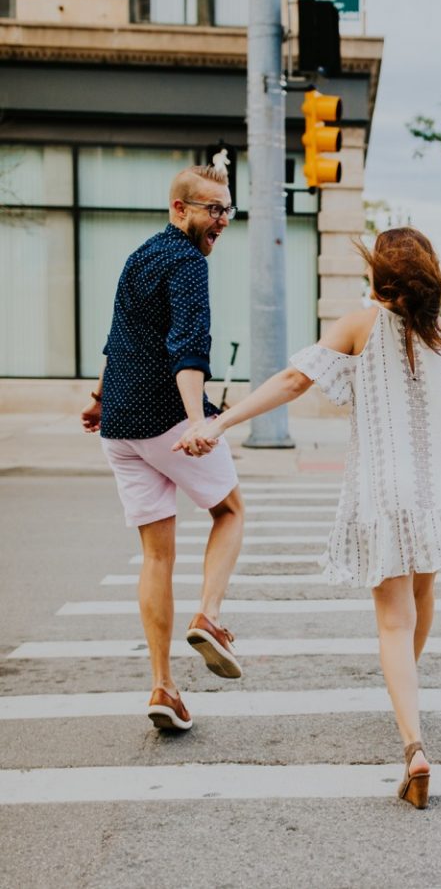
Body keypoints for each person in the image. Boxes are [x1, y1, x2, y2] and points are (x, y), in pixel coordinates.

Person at [176, 227, 441, 810]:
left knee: (392, 624)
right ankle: (409, 696)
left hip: (383, 490)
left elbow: (294, 380)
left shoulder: (360, 324)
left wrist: (220, 423)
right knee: (424, 595)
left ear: (380, 275)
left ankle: (414, 745)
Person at [81, 162, 246, 733]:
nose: (221, 220)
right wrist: (199, 420)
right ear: (180, 209)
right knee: (229, 512)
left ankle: (163, 686)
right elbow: (188, 346)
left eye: (226, 210)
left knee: (156, 556)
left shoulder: (139, 256)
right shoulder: (186, 263)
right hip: (166, 418)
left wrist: (101, 398)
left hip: (121, 428)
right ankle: (211, 618)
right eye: (211, 209)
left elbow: (117, 335)